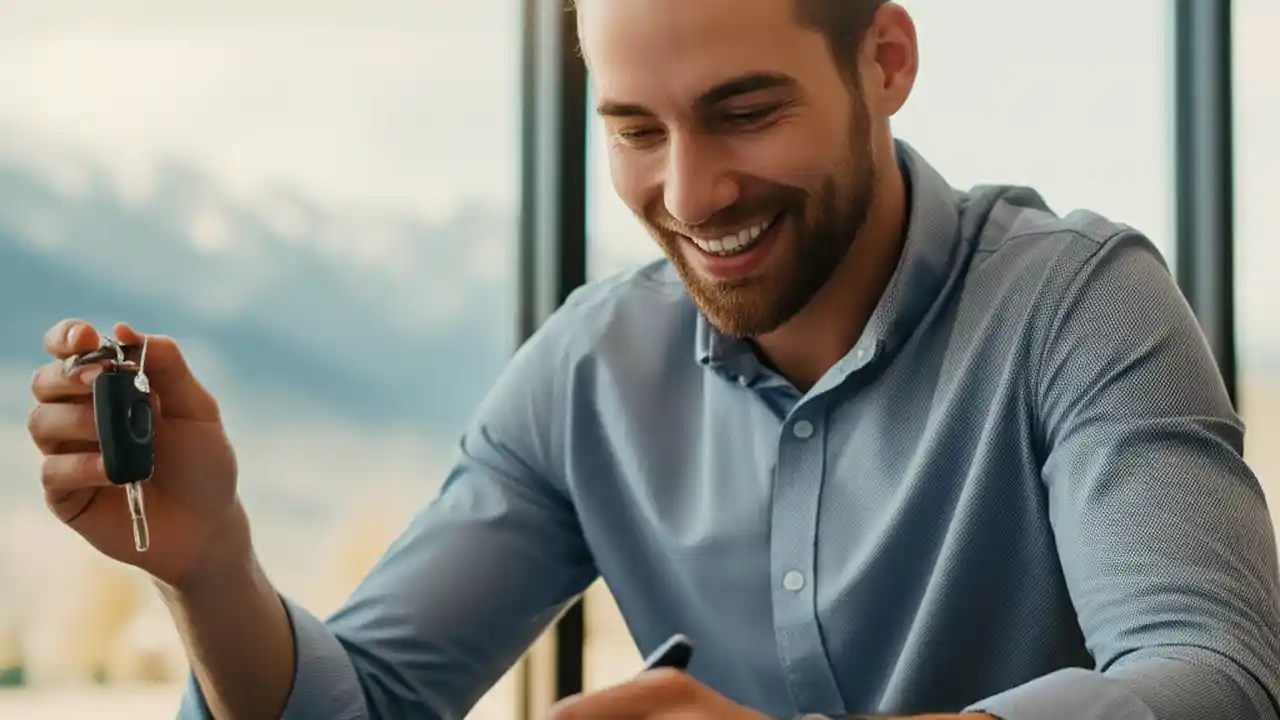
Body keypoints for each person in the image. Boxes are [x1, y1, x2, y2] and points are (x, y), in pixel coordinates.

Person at [25, 1, 1280, 718]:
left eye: (744, 113)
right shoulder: (586, 373)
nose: (686, 193)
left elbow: (1214, 684)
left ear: (883, 63)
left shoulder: (1078, 305)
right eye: (633, 129)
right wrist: (210, 565)